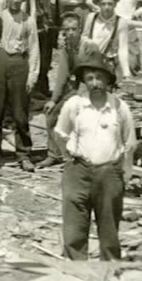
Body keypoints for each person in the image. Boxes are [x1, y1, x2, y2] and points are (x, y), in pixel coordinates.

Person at [54, 49, 136, 261]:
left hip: (109, 173)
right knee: (74, 228)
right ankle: (77, 275)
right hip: (78, 171)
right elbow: (60, 133)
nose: (95, 83)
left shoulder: (120, 108)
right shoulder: (74, 105)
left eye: (99, 77)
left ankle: (109, 275)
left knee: (109, 230)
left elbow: (130, 143)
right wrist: (68, 158)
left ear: (108, 80)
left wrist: (125, 172)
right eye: (89, 78)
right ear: (83, 81)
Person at [0, 0, 40, 172]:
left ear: (23, 0)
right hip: (1, 60)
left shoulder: (28, 20)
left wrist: (32, 74)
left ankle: (24, 154)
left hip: (19, 63)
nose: (15, 0)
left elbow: (34, 49)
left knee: (20, 112)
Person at [37, 12, 85, 169]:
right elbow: (62, 77)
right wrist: (53, 99)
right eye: (67, 30)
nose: (70, 33)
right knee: (51, 113)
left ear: (80, 29)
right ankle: (54, 154)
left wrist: (80, 97)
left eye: (74, 29)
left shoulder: (87, 46)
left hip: (90, 89)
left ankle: (75, 156)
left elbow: (93, 75)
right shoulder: (65, 49)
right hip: (74, 89)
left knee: (76, 116)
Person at [82, 0, 134, 81]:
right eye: (103, 4)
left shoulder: (121, 22)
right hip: (90, 61)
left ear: (115, 5)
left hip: (108, 62)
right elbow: (84, 37)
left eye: (110, 4)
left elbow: (123, 48)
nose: (107, 7)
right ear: (98, 4)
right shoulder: (91, 17)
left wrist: (126, 73)